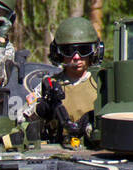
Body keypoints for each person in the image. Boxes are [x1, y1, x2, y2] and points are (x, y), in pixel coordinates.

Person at [20, 16, 104, 147]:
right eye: (69, 51)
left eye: (83, 50)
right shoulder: (49, 86)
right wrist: (41, 110)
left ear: (95, 52)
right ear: (59, 53)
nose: (76, 57)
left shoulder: (102, 84)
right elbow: (22, 120)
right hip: (56, 152)